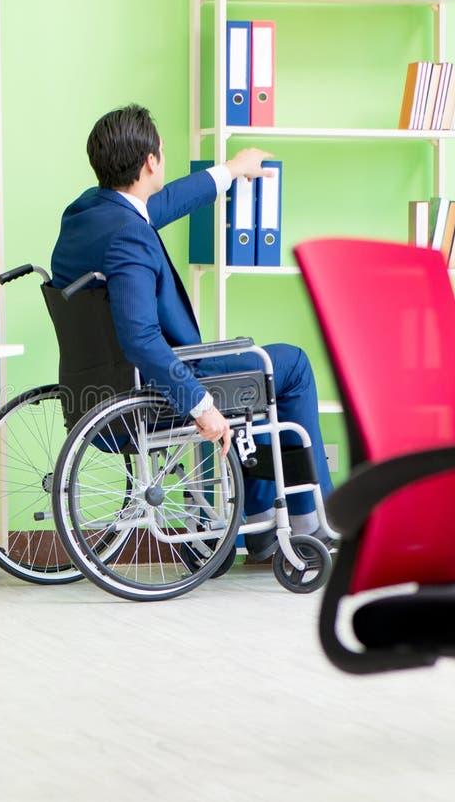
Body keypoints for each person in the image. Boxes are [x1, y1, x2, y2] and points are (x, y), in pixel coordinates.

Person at [51, 104, 334, 558]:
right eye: (161, 151)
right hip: (160, 384)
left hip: (95, 385)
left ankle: (260, 518)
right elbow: (141, 338)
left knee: (255, 380)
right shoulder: (129, 236)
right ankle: (312, 518)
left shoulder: (86, 213)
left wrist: (231, 170)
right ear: (149, 162)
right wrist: (201, 406)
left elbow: (157, 206)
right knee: (289, 366)